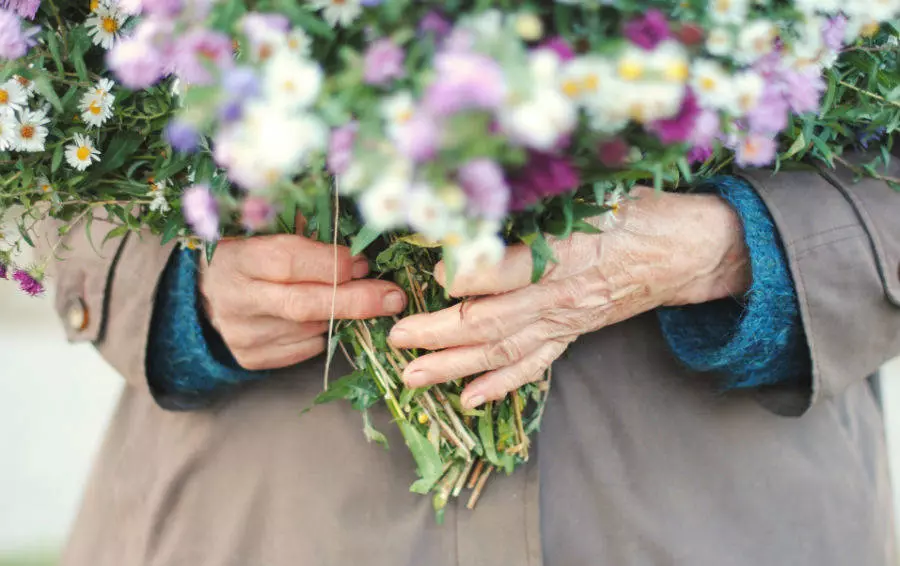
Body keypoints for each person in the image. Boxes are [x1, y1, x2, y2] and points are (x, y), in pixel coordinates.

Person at [46, 151, 898, 566]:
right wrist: (169, 284)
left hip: (712, 510)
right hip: (260, 512)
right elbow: (39, 63)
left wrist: (729, 252)